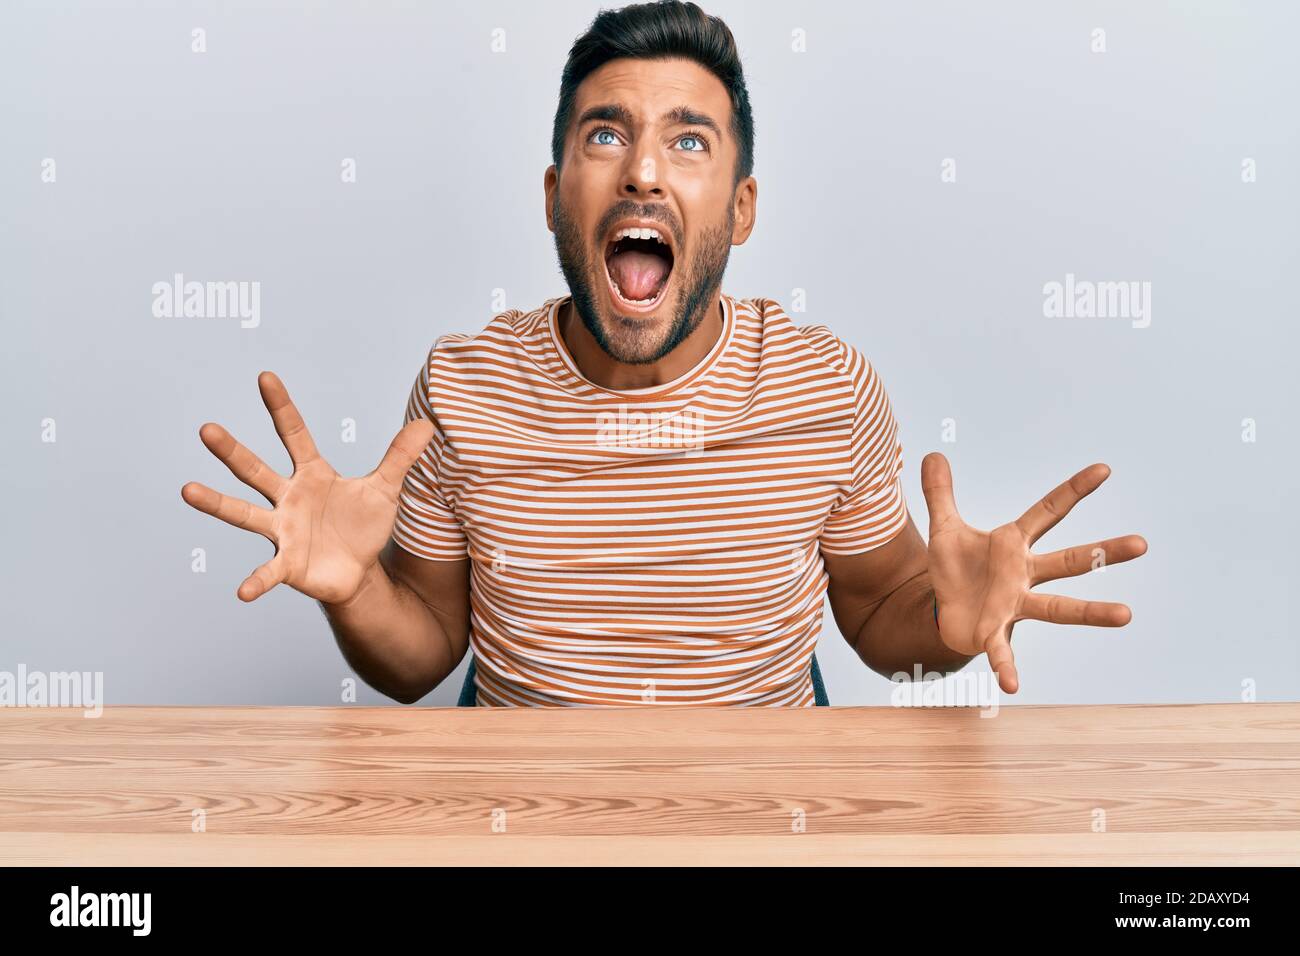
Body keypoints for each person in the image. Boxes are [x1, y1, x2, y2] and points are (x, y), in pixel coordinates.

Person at [181, 0, 1147, 706]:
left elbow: (878, 617)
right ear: (557, 195)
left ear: (741, 208)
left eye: (689, 143)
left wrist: (950, 622)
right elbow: (423, 653)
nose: (643, 169)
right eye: (608, 134)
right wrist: (353, 592)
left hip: (762, 821)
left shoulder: (824, 385)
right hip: (530, 822)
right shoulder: (462, 387)